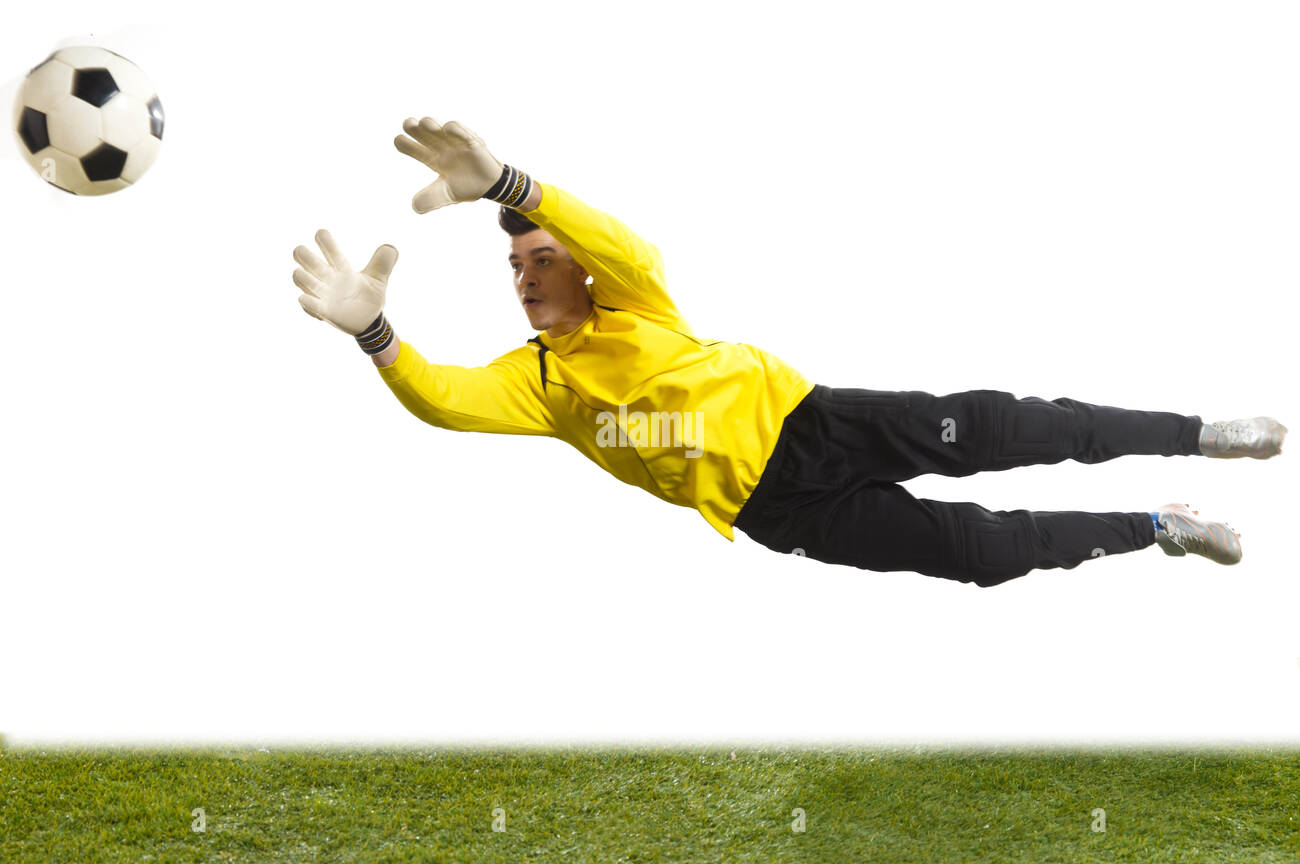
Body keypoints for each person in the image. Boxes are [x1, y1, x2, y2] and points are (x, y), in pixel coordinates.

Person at [291, 116, 1287, 587]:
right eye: (517, 270)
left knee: (1003, 425)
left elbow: (626, 243)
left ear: (576, 267)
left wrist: (514, 185)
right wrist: (373, 334)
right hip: (776, 505)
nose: (528, 275)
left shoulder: (630, 300)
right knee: (978, 551)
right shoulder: (539, 384)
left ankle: (1200, 433)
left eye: (543, 259)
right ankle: (1158, 523)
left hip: (814, 416)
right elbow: (442, 399)